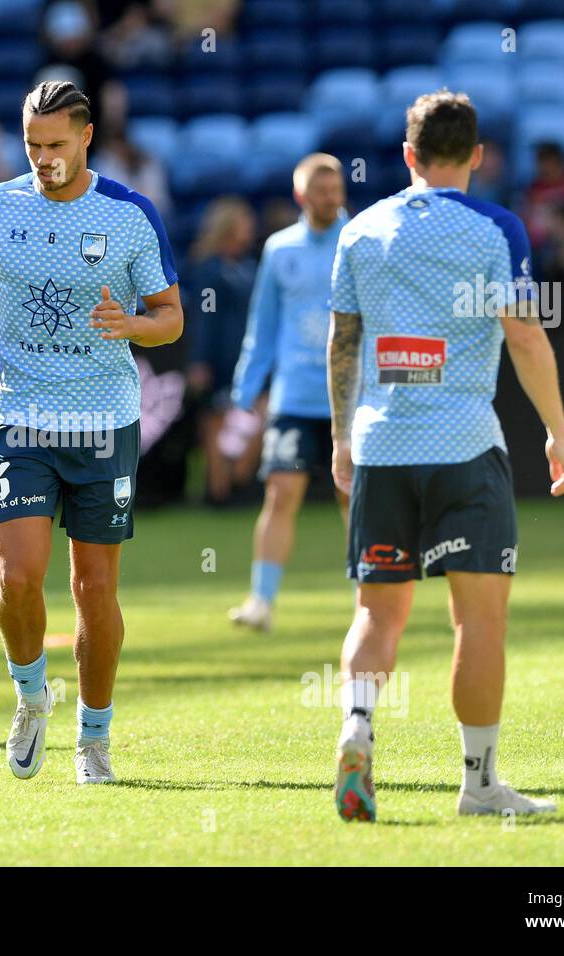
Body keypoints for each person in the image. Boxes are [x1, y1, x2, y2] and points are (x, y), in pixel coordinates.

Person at [326, 92, 564, 822]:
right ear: (476, 155)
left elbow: (343, 343)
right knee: (477, 622)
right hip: (466, 445)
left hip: (381, 443)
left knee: (377, 613)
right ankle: (479, 782)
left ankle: (358, 729)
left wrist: (343, 438)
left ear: (407, 155)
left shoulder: (360, 231)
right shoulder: (497, 228)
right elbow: (527, 338)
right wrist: (558, 433)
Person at [0, 81, 183, 784]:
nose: (43, 158)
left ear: (86, 138)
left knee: (94, 592)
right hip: (21, 416)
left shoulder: (131, 214)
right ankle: (30, 696)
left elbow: (171, 316)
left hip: (105, 423)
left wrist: (132, 324)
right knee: (18, 578)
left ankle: (94, 739)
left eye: (55, 145)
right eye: (31, 144)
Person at [228, 154, 349, 632]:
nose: (330, 197)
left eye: (336, 188)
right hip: (294, 399)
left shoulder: (359, 241)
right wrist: (245, 389)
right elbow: (264, 325)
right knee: (280, 493)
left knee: (352, 497)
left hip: (349, 399)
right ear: (302, 196)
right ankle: (261, 601)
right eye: (321, 190)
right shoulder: (279, 249)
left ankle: (371, 597)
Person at [182, 195, 257, 506]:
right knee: (215, 424)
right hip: (219, 356)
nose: (250, 228)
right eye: (244, 223)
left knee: (241, 423)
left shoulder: (246, 266)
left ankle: (235, 483)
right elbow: (204, 318)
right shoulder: (209, 269)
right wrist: (200, 360)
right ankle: (217, 492)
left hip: (243, 356)